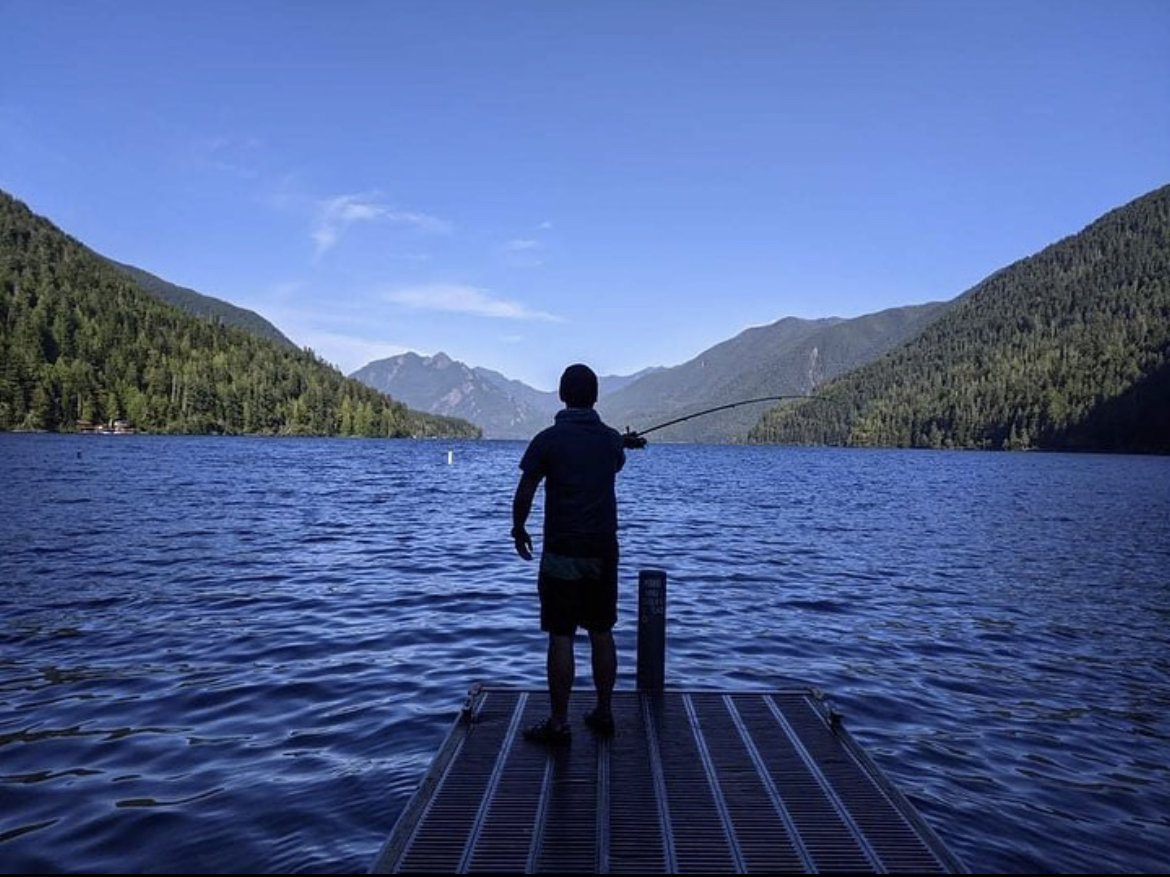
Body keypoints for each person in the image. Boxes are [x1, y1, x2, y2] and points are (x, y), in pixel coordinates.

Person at [511, 363, 644, 745]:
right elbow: (615, 455)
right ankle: (603, 712)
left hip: (561, 551)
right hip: (603, 550)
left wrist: (518, 528)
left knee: (561, 635)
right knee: (602, 633)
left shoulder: (547, 440)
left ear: (561, 395)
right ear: (596, 397)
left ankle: (558, 723)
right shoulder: (608, 442)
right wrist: (622, 441)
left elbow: (526, 491)